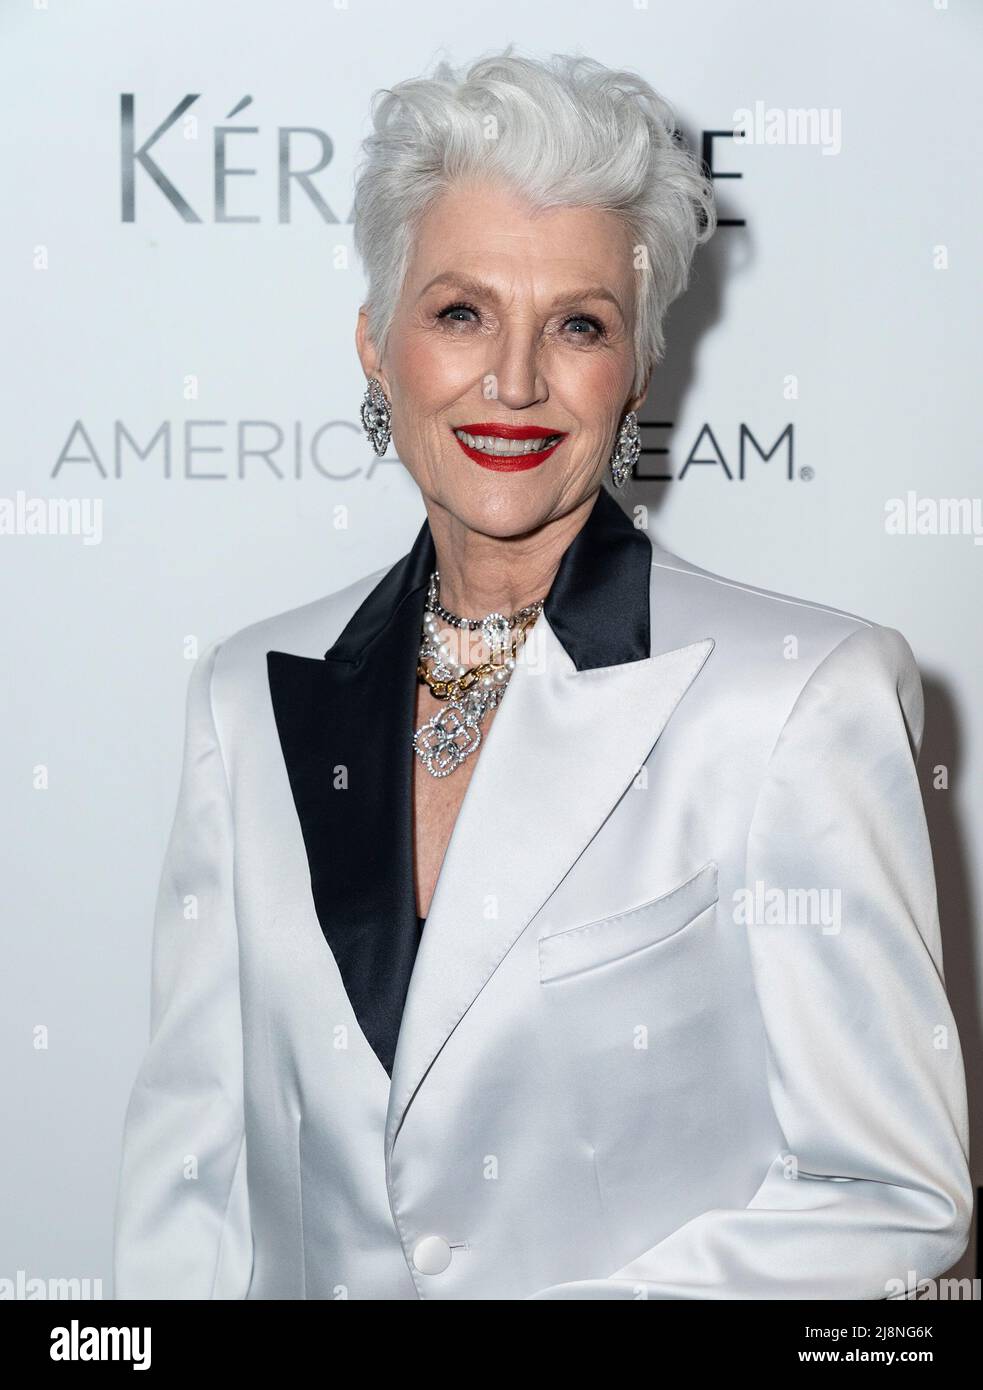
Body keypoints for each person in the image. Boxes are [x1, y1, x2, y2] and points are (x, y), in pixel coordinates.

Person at [113, 47, 972, 1300]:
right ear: (376, 343)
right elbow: (188, 1188)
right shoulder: (246, 699)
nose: (512, 381)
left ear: (634, 370)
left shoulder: (796, 698)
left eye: (577, 325)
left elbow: (891, 1198)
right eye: (459, 313)